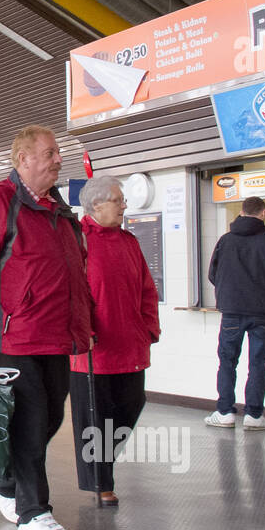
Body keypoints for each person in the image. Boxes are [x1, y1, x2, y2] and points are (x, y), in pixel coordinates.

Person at [0, 124, 92, 530]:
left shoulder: (60, 211)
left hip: (58, 336)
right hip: (14, 336)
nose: (57, 160)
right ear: (23, 160)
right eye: (50, 153)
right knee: (31, 424)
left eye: (57, 154)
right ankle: (33, 513)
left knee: (51, 418)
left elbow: (76, 276)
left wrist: (87, 327)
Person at [69, 176, 159, 508]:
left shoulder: (130, 242)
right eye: (118, 200)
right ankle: (101, 483)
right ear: (96, 205)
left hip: (131, 346)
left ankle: (102, 465)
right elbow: (69, 293)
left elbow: (147, 290)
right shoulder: (77, 241)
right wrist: (81, 330)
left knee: (132, 405)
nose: (124, 205)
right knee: (95, 419)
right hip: (93, 351)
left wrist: (149, 328)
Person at [206, 196, 265, 431]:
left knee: (227, 361)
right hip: (263, 313)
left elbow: (212, 275)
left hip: (231, 312)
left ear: (242, 213)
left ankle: (224, 413)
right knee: (258, 364)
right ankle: (254, 415)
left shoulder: (224, 242)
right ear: (263, 213)